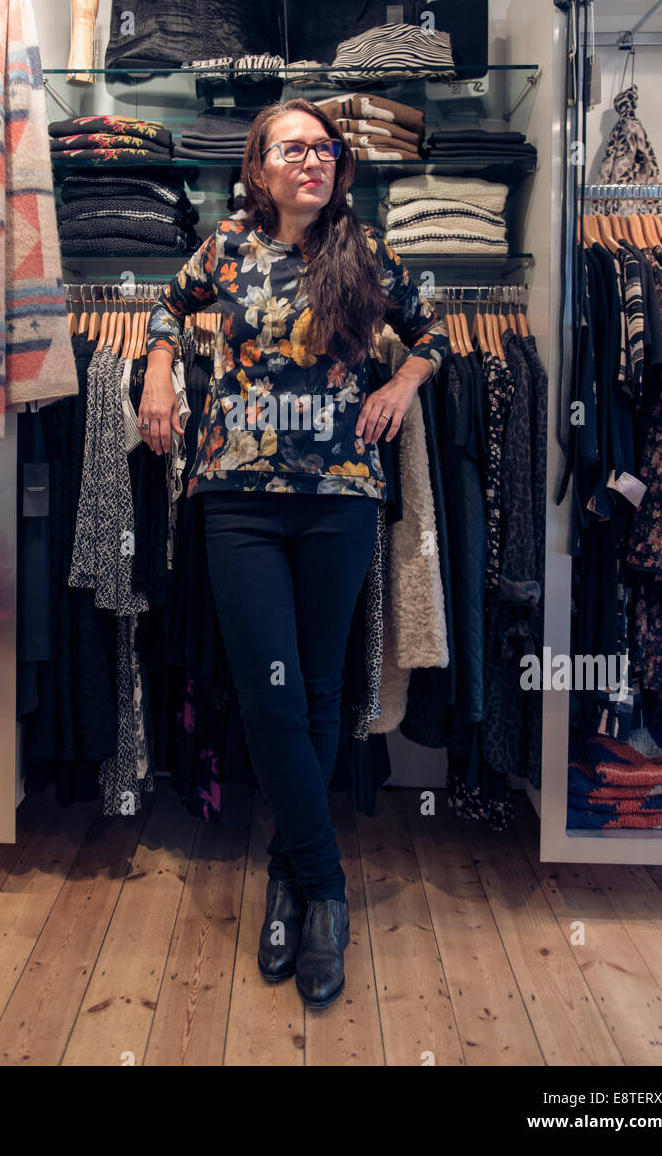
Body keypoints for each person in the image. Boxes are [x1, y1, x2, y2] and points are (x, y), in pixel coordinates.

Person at [139, 97, 448, 1009]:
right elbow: (163, 308)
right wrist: (159, 371)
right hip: (236, 493)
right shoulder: (225, 247)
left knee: (316, 688)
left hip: (340, 496)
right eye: (291, 149)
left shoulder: (367, 250)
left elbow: (434, 332)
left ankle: (287, 876)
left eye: (323, 149)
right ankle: (326, 888)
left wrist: (401, 381)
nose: (311, 162)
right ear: (259, 166)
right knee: (269, 689)